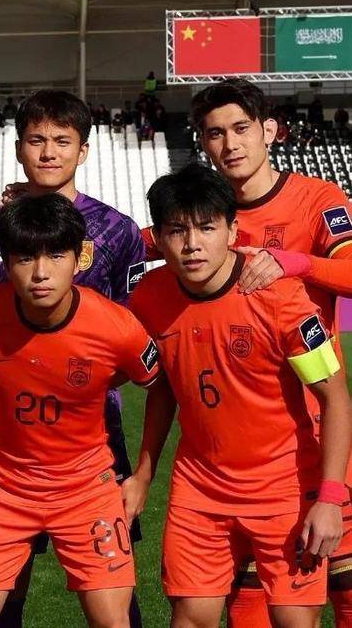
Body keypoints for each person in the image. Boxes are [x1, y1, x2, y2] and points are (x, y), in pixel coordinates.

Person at [141, 77, 352, 628]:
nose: (230, 144)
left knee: (344, 582)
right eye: (215, 133)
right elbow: (125, 242)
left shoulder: (318, 200)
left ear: (270, 131)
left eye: (240, 128)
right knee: (244, 595)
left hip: (313, 429)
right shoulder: (201, 215)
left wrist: (296, 263)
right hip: (229, 438)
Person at [0, 89, 147, 628]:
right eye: (37, 140)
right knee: (5, 580)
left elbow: (134, 324)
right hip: (12, 443)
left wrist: (85, 379)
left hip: (97, 433)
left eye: (62, 141)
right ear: (18, 148)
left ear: (83, 150)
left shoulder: (117, 230)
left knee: (112, 581)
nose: (49, 152)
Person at [0, 194, 157, 628]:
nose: (40, 272)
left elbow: (157, 382)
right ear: (6, 261)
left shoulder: (117, 327)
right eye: (25, 258)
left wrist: (143, 475)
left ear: (80, 258)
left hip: (86, 490)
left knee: (114, 622)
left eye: (56, 255)